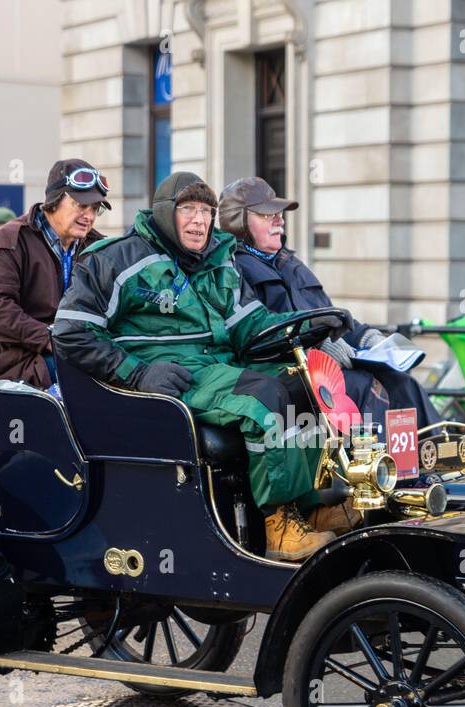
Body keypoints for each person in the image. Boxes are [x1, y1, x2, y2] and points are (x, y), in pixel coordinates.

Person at [53, 171, 354, 562]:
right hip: (169, 377)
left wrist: (312, 324)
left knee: (303, 387)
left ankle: (313, 506)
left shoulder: (220, 261)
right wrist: (136, 372)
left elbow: (251, 325)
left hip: (218, 367)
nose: (199, 221)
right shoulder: (117, 259)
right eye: (188, 210)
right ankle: (277, 524)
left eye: (206, 211)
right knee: (263, 399)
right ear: (165, 213)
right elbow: (71, 332)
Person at [219, 176, 439, 431]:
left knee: (403, 384)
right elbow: (256, 334)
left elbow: (331, 315)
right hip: (284, 369)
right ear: (239, 222)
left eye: (279, 213)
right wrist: (319, 346)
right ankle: (375, 469)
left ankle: (436, 455)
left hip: (324, 364)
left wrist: (368, 338)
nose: (280, 220)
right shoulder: (234, 270)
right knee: (363, 385)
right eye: (267, 215)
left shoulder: (291, 264)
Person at [0, 159, 106, 389]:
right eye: (81, 205)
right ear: (54, 200)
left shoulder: (95, 245)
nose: (89, 216)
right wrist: (52, 338)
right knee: (95, 382)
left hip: (77, 350)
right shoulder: (9, 240)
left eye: (95, 208)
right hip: (21, 359)